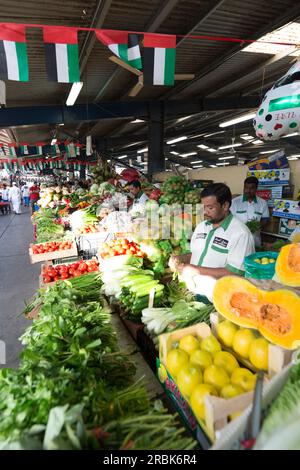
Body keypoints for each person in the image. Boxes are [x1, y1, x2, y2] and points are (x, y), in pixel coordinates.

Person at [169, 183, 255, 301]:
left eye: (210, 208)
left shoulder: (240, 233)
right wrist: (181, 258)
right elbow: (195, 253)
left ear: (225, 206)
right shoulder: (201, 226)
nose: (205, 212)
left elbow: (234, 273)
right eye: (203, 207)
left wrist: (195, 270)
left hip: (218, 299)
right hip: (193, 292)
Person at [231, 176, 270, 247]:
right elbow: (229, 219)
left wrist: (256, 227)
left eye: (251, 188)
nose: (248, 190)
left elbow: (265, 219)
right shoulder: (234, 202)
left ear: (256, 189)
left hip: (255, 240)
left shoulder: (262, 203)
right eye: (246, 187)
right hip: (237, 240)